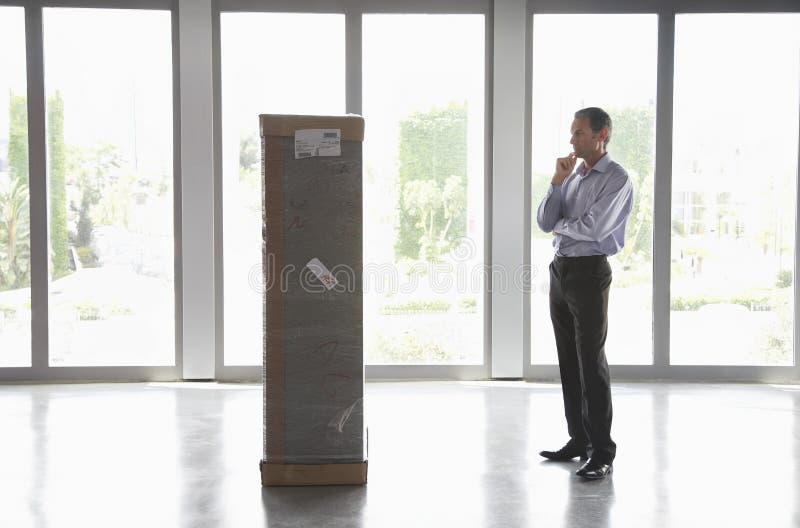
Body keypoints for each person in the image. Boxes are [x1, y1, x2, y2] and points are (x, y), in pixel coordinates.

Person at [535, 107, 633, 480]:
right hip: (561, 272)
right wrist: (557, 183)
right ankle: (579, 440)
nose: (572, 140)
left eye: (579, 133)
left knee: (590, 361)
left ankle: (603, 453)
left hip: (590, 273)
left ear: (601, 134)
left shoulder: (617, 178)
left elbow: (595, 229)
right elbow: (545, 221)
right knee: (568, 359)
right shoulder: (573, 176)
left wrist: (561, 227)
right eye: (572, 133)